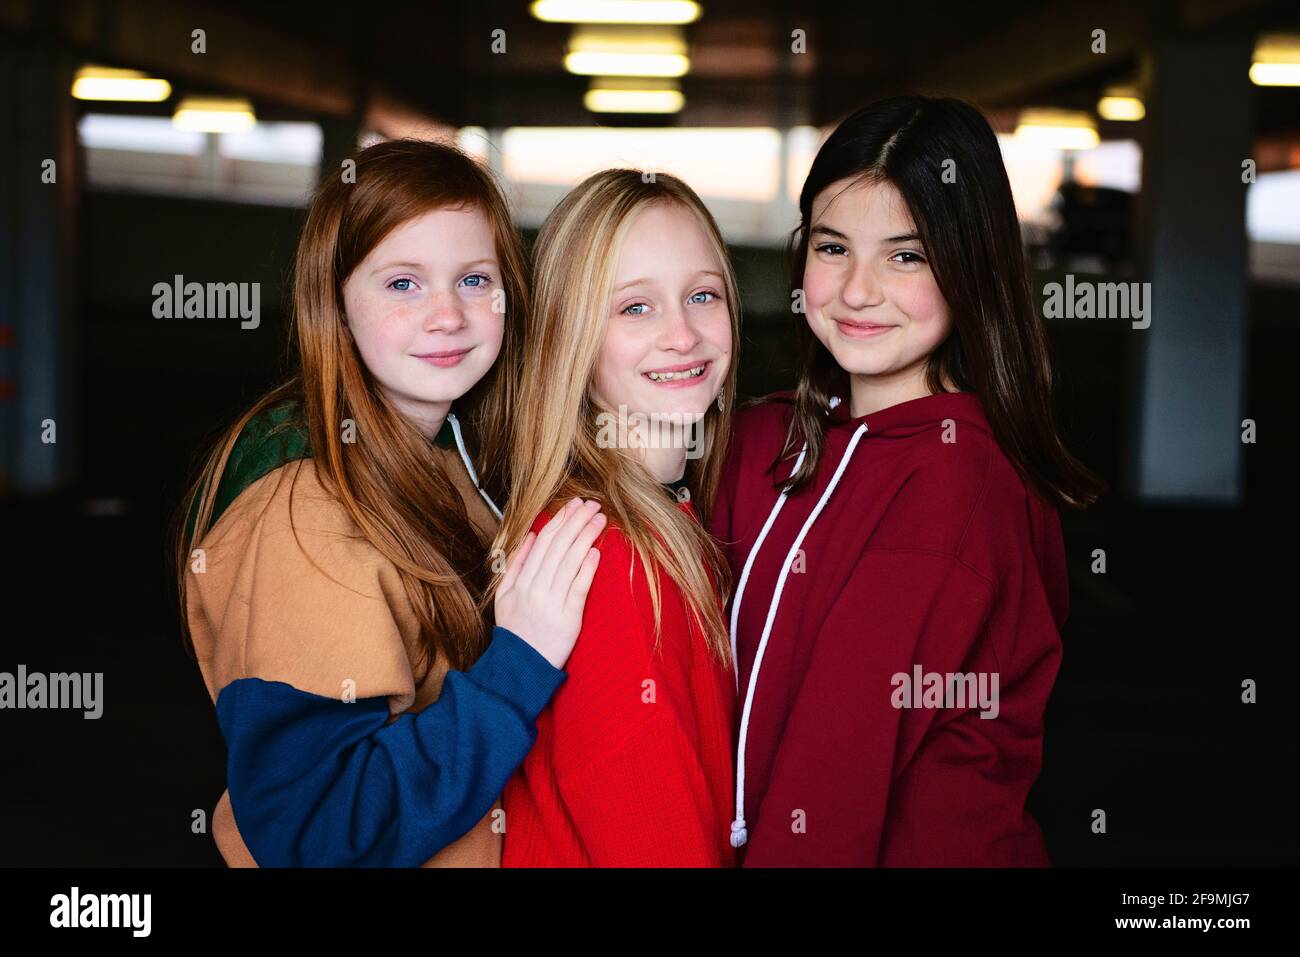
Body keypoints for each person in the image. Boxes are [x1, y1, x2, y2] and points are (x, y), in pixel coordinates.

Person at [175, 139, 605, 867]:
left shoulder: (448, 457)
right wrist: (519, 665)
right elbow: (317, 831)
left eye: (474, 280)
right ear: (334, 303)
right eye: (402, 284)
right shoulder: (306, 509)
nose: (448, 315)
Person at [711, 96, 1105, 866]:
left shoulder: (957, 483)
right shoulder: (768, 439)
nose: (858, 290)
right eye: (832, 248)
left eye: (907, 255)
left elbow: (829, 793)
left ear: (970, 268)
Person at [496, 170, 739, 866]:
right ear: (571, 334)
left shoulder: (671, 517)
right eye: (635, 308)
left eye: (702, 295)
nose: (682, 333)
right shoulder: (599, 558)